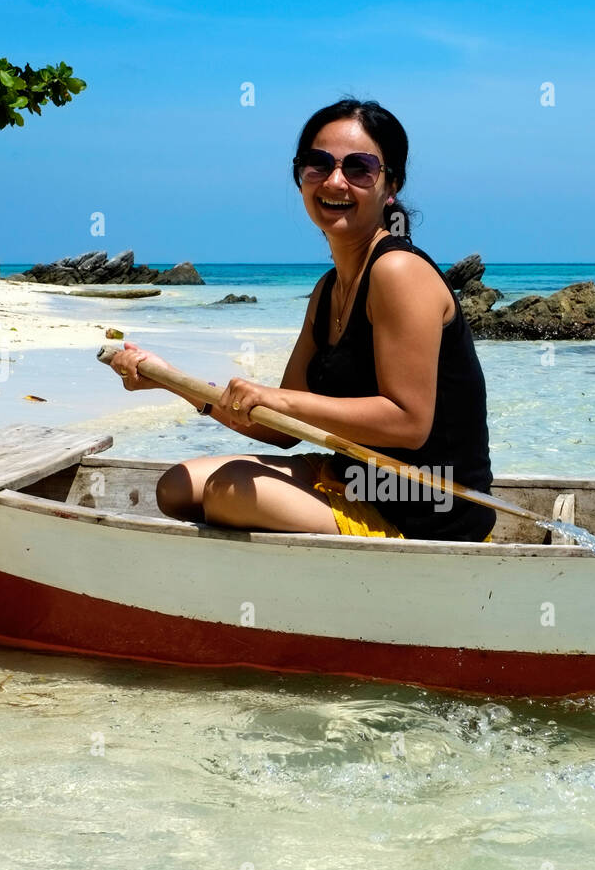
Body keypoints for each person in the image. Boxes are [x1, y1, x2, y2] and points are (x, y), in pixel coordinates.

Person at [110, 98, 496, 541]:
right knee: (176, 487)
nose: (335, 181)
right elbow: (276, 430)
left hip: (431, 509)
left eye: (359, 168)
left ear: (391, 185)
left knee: (228, 490)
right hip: (357, 481)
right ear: (300, 177)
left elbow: (408, 423)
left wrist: (281, 402)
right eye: (317, 164)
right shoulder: (327, 289)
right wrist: (165, 377)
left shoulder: (398, 271)